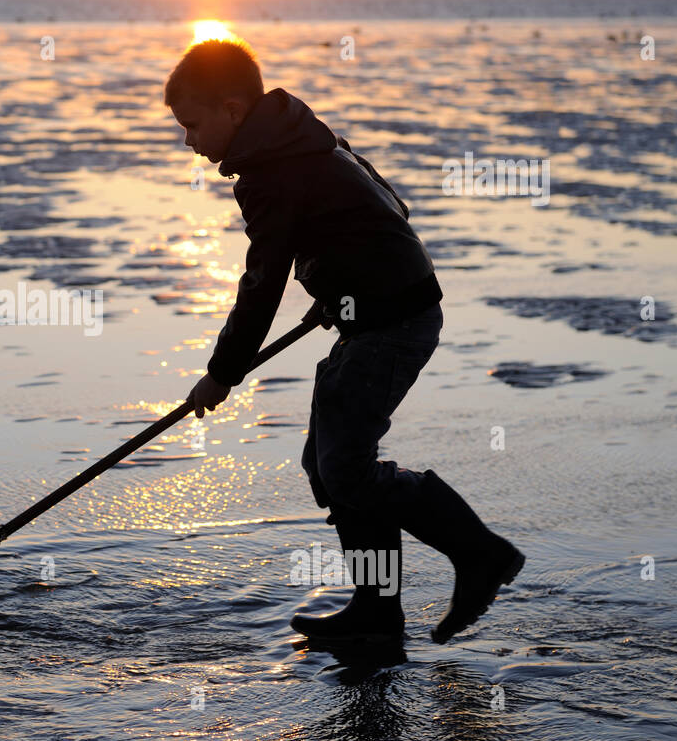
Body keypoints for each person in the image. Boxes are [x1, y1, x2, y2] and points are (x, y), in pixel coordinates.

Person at [164, 37, 524, 645]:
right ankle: (376, 615)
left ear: (231, 109)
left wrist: (222, 372)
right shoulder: (303, 137)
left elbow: (262, 281)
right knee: (331, 467)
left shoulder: (271, 170)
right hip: (379, 316)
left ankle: (480, 555)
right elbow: (383, 208)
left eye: (192, 125)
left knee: (345, 468)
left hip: (393, 324)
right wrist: (338, 293)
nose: (189, 141)